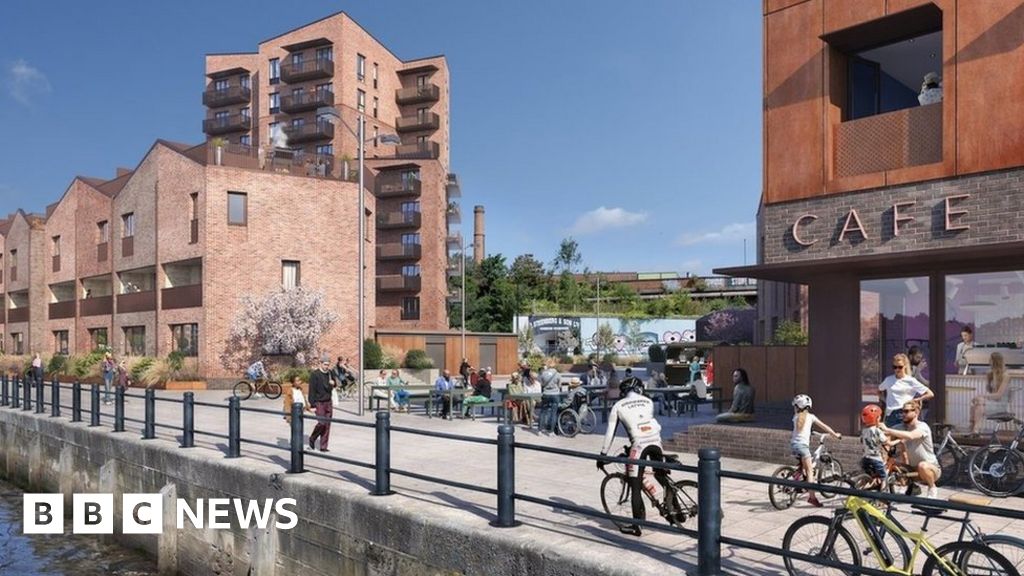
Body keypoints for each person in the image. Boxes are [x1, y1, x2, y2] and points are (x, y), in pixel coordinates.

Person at [597, 376, 667, 536]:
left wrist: (603, 456)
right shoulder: (647, 401)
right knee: (661, 475)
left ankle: (636, 527)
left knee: (635, 486)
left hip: (639, 445)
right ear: (639, 389)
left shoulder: (618, 406)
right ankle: (675, 508)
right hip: (656, 442)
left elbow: (610, 434)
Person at [880, 400, 941, 499]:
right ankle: (903, 486)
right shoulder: (900, 427)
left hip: (931, 468)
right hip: (911, 468)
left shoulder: (922, 426)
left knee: (922, 465)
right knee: (891, 464)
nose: (903, 414)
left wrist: (888, 430)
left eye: (907, 411)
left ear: (916, 412)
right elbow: (886, 435)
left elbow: (911, 436)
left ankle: (932, 488)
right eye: (902, 411)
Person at [789, 394, 842, 507]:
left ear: (798, 407)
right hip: (802, 446)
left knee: (804, 466)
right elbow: (825, 427)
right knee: (810, 471)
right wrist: (835, 435)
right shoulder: (811, 417)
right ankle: (812, 498)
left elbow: (800, 429)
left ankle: (799, 481)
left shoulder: (796, 417)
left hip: (793, 445)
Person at [878, 353, 933, 428]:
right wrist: (884, 400)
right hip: (891, 413)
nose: (897, 369)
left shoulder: (910, 380)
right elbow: (879, 389)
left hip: (904, 411)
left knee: (904, 437)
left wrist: (918, 399)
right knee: (890, 436)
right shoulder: (889, 380)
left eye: (900, 367)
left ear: (905, 367)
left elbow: (930, 393)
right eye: (895, 367)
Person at [969, 352, 1013, 434]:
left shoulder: (1006, 375)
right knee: (976, 403)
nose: (989, 362)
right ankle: (974, 429)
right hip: (992, 403)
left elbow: (998, 395)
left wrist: (982, 396)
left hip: (1000, 405)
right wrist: (988, 380)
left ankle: (974, 429)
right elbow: (990, 391)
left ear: (995, 361)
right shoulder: (991, 374)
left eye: (990, 360)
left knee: (979, 402)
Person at [307, 356, 336, 452]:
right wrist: (312, 405)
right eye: (325, 364)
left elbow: (335, 384)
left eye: (328, 365)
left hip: (328, 401)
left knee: (327, 424)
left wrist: (333, 383)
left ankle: (323, 446)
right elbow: (311, 390)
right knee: (321, 423)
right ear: (321, 363)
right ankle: (313, 438)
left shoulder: (330, 373)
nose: (326, 367)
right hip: (319, 402)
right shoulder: (315, 374)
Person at [859, 404, 891, 489]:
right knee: (884, 478)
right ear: (876, 418)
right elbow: (888, 443)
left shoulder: (864, 430)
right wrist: (900, 440)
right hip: (875, 459)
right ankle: (882, 497)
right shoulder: (877, 431)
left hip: (865, 458)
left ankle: (859, 489)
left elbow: (862, 440)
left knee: (867, 476)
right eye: (879, 416)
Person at [538, 363, 562, 433]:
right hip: (555, 394)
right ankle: (551, 431)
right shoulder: (558, 374)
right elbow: (559, 385)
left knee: (543, 412)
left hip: (546, 394)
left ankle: (540, 430)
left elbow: (541, 384)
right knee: (553, 413)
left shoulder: (543, 373)